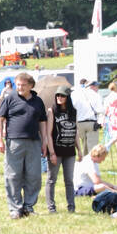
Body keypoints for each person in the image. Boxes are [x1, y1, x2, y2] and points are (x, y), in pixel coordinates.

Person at [0, 71, 52, 218]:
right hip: (14, 141)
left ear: (31, 85)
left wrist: (45, 141)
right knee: (13, 176)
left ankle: (28, 207)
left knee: (34, 176)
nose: (19, 87)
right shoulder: (9, 98)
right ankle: (15, 208)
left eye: (23, 85)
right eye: (18, 85)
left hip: (34, 141)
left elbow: (43, 122)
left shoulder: (38, 101)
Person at [46, 85, 78, 213]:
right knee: (51, 179)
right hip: (56, 150)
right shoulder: (52, 110)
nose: (59, 97)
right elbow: (48, 133)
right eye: (58, 95)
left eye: (62, 95)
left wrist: (79, 149)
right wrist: (52, 152)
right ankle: (51, 207)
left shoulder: (73, 111)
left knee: (69, 180)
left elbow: (75, 130)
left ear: (68, 97)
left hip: (70, 151)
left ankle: (71, 207)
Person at [71, 79, 99, 159]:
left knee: (84, 146)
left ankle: (85, 164)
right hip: (91, 122)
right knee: (92, 147)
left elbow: (72, 108)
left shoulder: (74, 94)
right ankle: (91, 165)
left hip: (79, 123)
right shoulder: (94, 94)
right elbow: (100, 110)